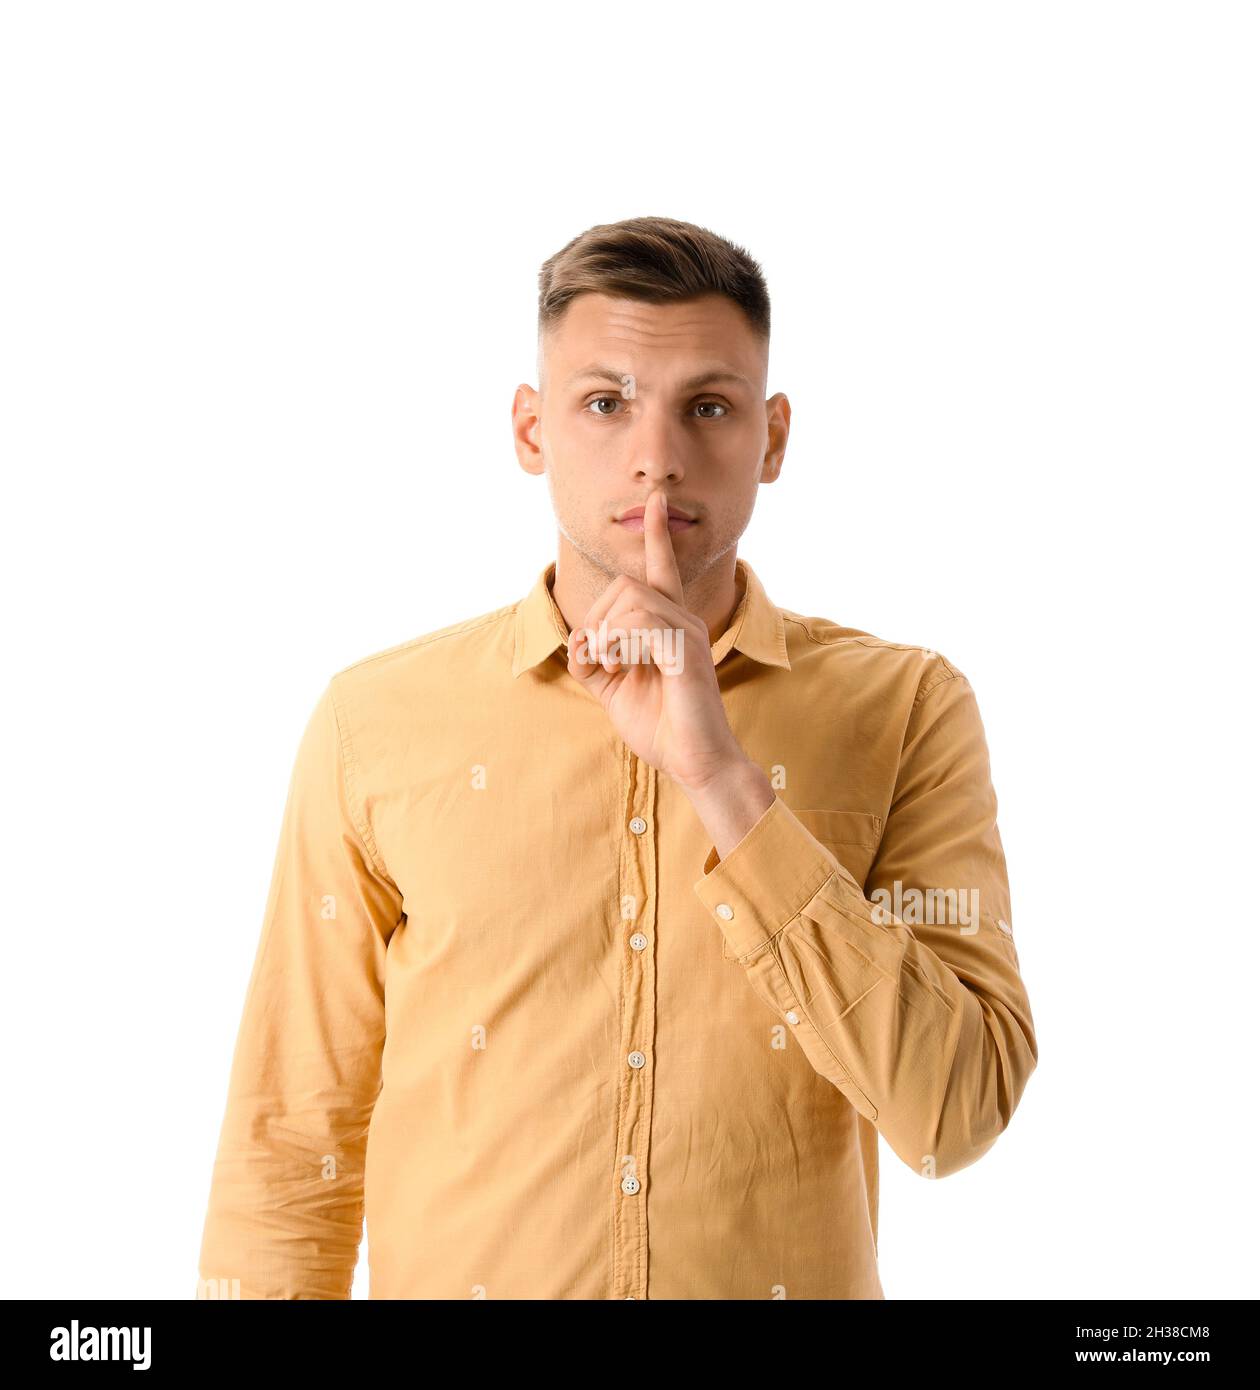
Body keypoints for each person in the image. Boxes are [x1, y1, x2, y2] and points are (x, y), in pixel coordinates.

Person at [196, 215, 1038, 1300]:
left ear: (772, 438)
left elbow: (955, 1112)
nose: (658, 455)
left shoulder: (907, 709)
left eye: (710, 406)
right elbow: (289, 1141)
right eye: (606, 402)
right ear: (530, 429)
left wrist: (728, 785)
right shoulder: (375, 725)